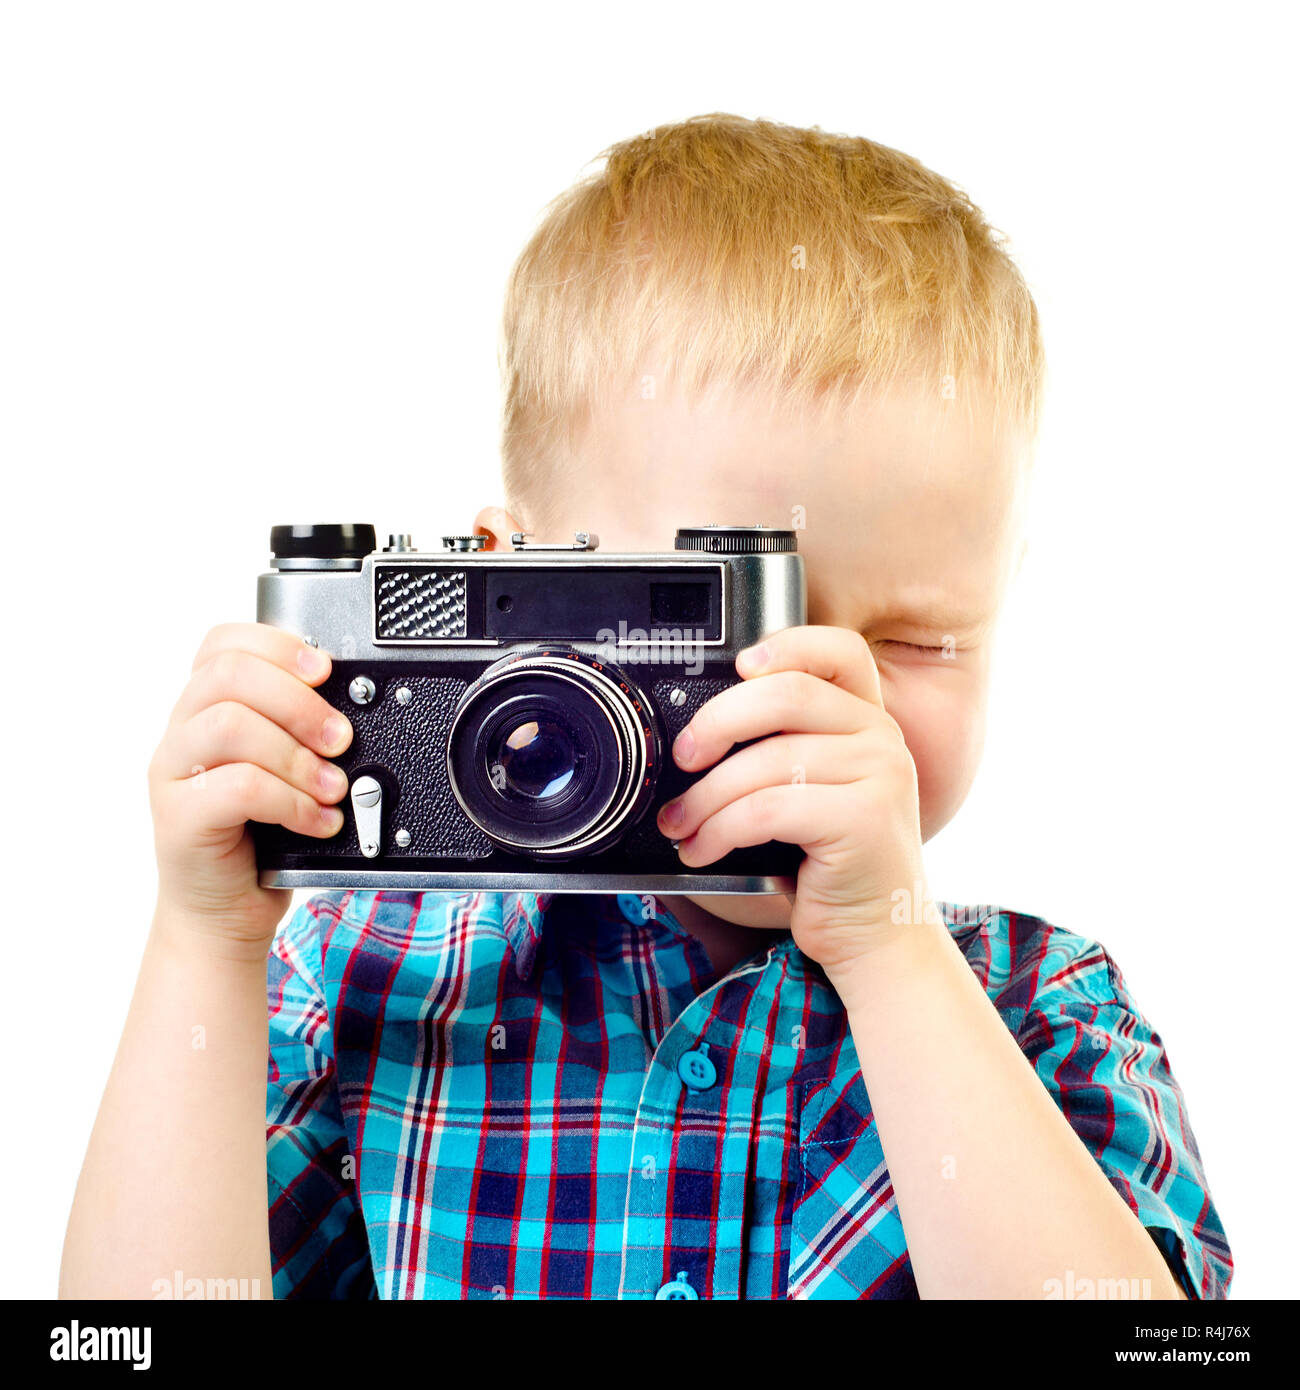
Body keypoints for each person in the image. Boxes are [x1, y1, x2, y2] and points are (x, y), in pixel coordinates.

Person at [61, 113, 1231, 1300]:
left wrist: (890, 951)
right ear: (506, 598)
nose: (821, 702)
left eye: (914, 643)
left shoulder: (1045, 1011)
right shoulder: (356, 983)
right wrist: (202, 942)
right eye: (729, 627)